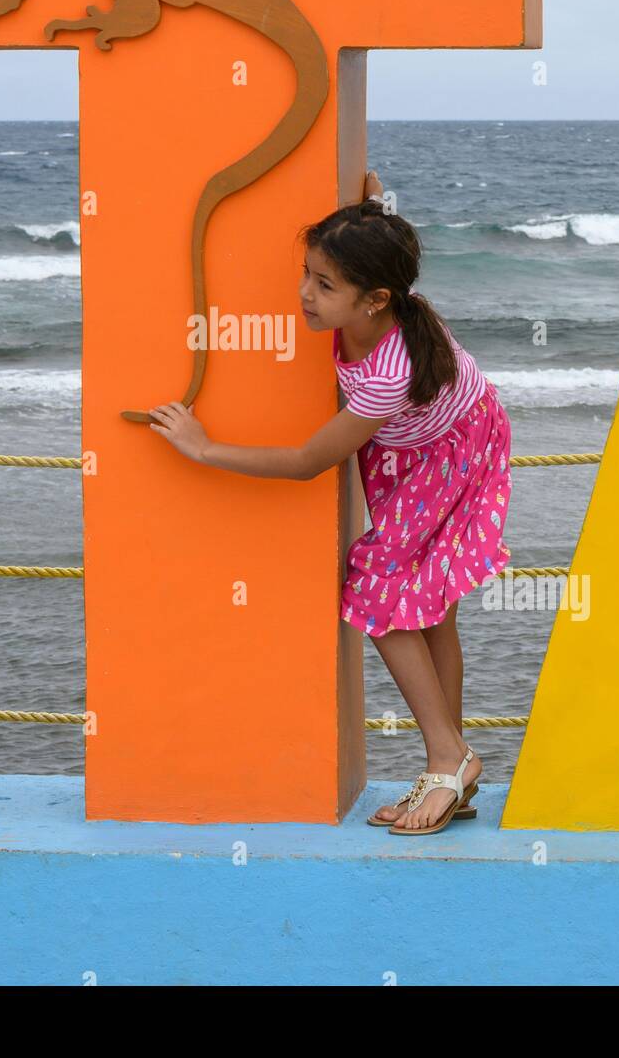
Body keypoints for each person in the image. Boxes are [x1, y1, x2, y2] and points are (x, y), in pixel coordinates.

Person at [148, 170, 512, 835]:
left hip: (452, 454)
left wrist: (203, 448)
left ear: (375, 300)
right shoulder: (379, 303)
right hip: (433, 437)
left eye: (323, 285)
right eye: (307, 274)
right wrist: (364, 194)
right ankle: (450, 767)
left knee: (378, 590)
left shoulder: (388, 373)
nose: (304, 294)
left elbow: (305, 463)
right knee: (428, 609)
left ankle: (448, 757)